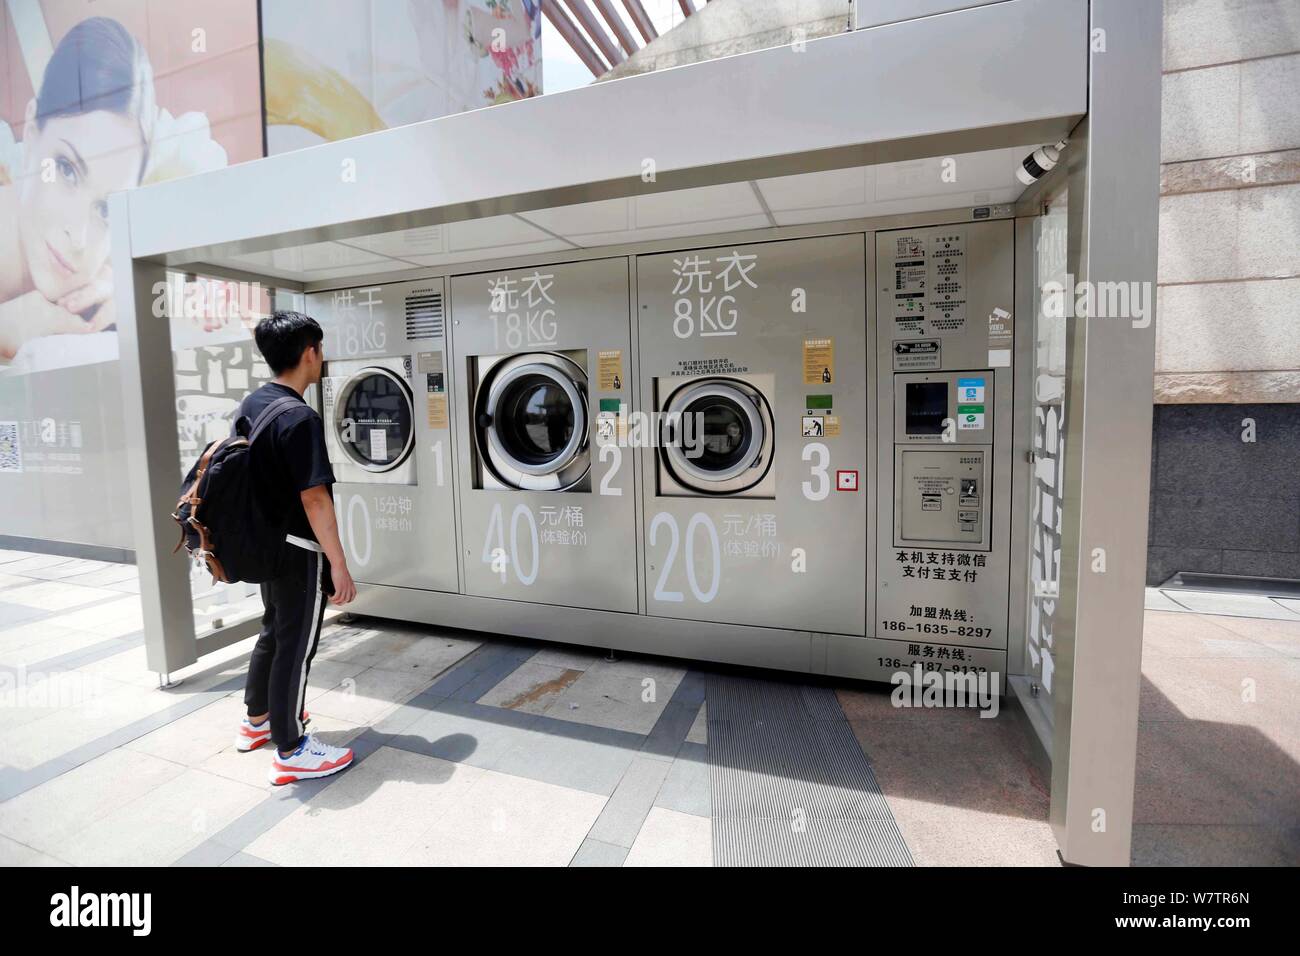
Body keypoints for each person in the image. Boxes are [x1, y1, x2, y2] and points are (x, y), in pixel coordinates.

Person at [235, 311, 358, 785]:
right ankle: (291, 748)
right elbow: (314, 498)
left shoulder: (255, 403)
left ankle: (257, 720)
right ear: (310, 352)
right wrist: (338, 565)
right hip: (296, 549)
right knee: (297, 644)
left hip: (266, 544)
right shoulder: (300, 418)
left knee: (273, 630)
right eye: (320, 349)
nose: (322, 358)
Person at [0, 17, 154, 359]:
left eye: (105, 209)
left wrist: (132, 309)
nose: (80, 236)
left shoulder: (105, 292)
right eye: (67, 170)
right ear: (30, 132)